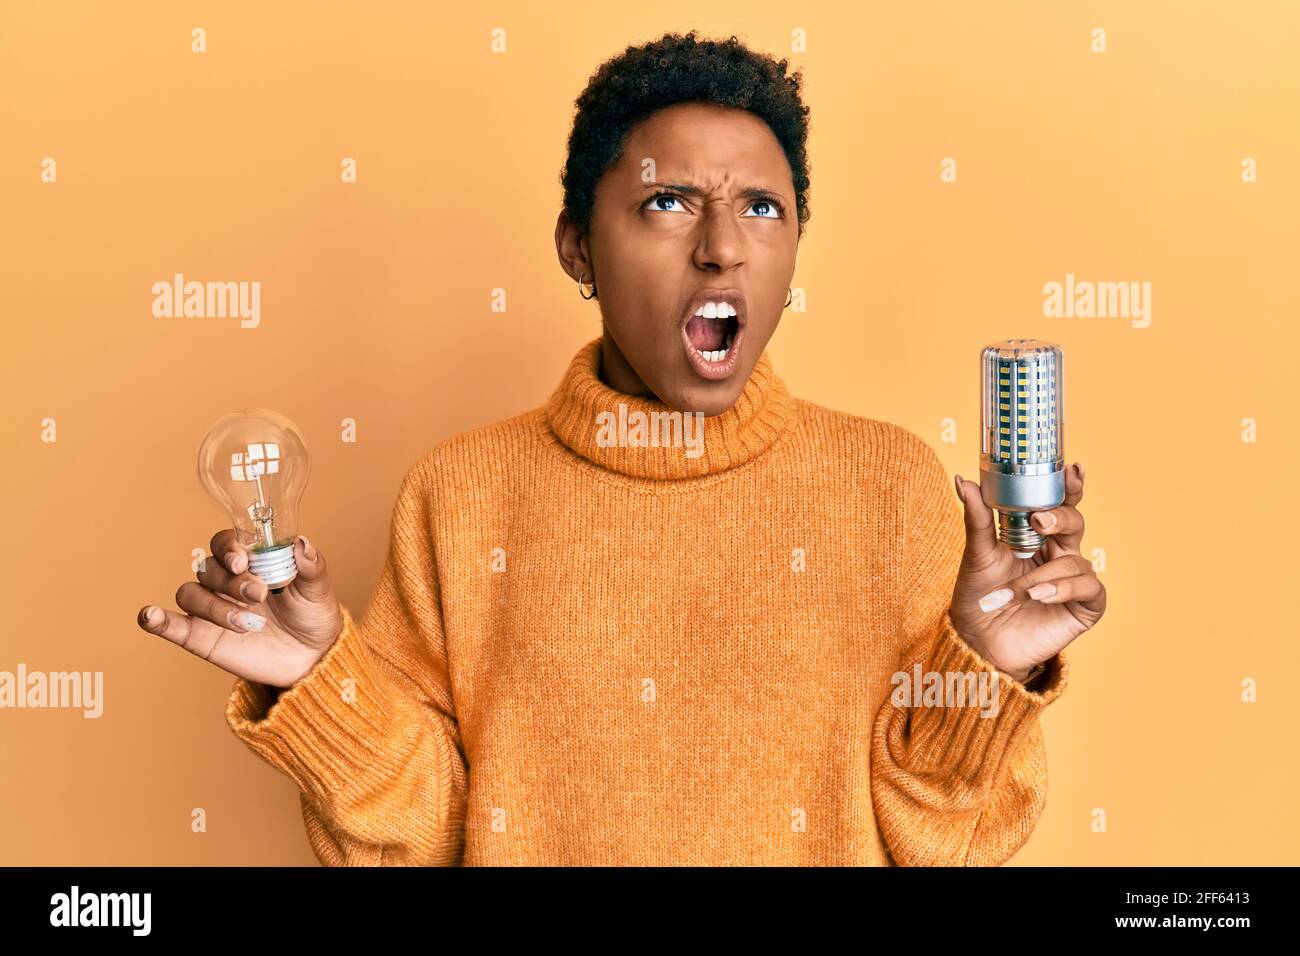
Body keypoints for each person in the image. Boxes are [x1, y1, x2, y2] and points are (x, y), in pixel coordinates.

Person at [136, 30, 1105, 866]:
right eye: (667, 202)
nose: (722, 245)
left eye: (761, 207)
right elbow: (417, 840)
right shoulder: (460, 493)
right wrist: (322, 685)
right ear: (577, 248)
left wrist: (983, 670)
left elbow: (947, 843)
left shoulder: (889, 484)